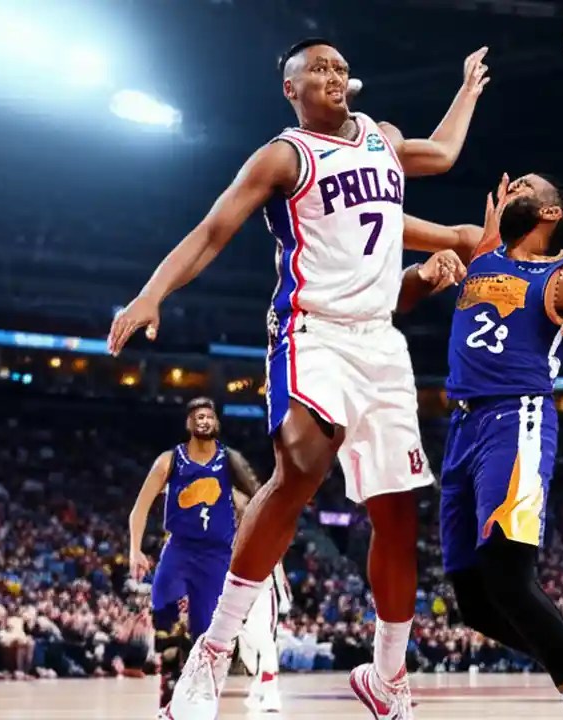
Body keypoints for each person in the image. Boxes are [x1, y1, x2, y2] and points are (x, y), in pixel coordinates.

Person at [108, 36, 488, 720]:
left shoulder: (383, 138)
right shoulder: (284, 155)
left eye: (341, 66)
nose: (334, 75)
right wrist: (150, 293)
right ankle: (214, 652)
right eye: (318, 68)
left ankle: (389, 676)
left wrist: (467, 87)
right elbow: (209, 230)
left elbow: (446, 152)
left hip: (380, 341)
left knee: (398, 517)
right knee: (304, 462)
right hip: (309, 331)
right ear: (292, 88)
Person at [401, 174, 563, 720]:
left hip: (518, 419)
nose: (513, 184)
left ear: (551, 211)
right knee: (474, 602)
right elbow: (392, 227)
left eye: (528, 185)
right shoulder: (478, 245)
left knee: (509, 578)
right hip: (461, 429)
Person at [128, 397, 261, 710]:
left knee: (207, 632)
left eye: (209, 416)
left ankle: (199, 694)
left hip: (216, 555)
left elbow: (256, 496)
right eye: (198, 416)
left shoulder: (230, 460)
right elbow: (140, 508)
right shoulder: (170, 461)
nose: (203, 421)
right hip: (180, 548)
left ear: (216, 423)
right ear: (189, 423)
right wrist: (135, 549)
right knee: (164, 607)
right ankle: (169, 681)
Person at [238, 561, 291, 713]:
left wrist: (283, 595)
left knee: (267, 645)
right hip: (236, 592)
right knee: (249, 657)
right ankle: (259, 686)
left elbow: (277, 563)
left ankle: (271, 693)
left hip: (263, 593)